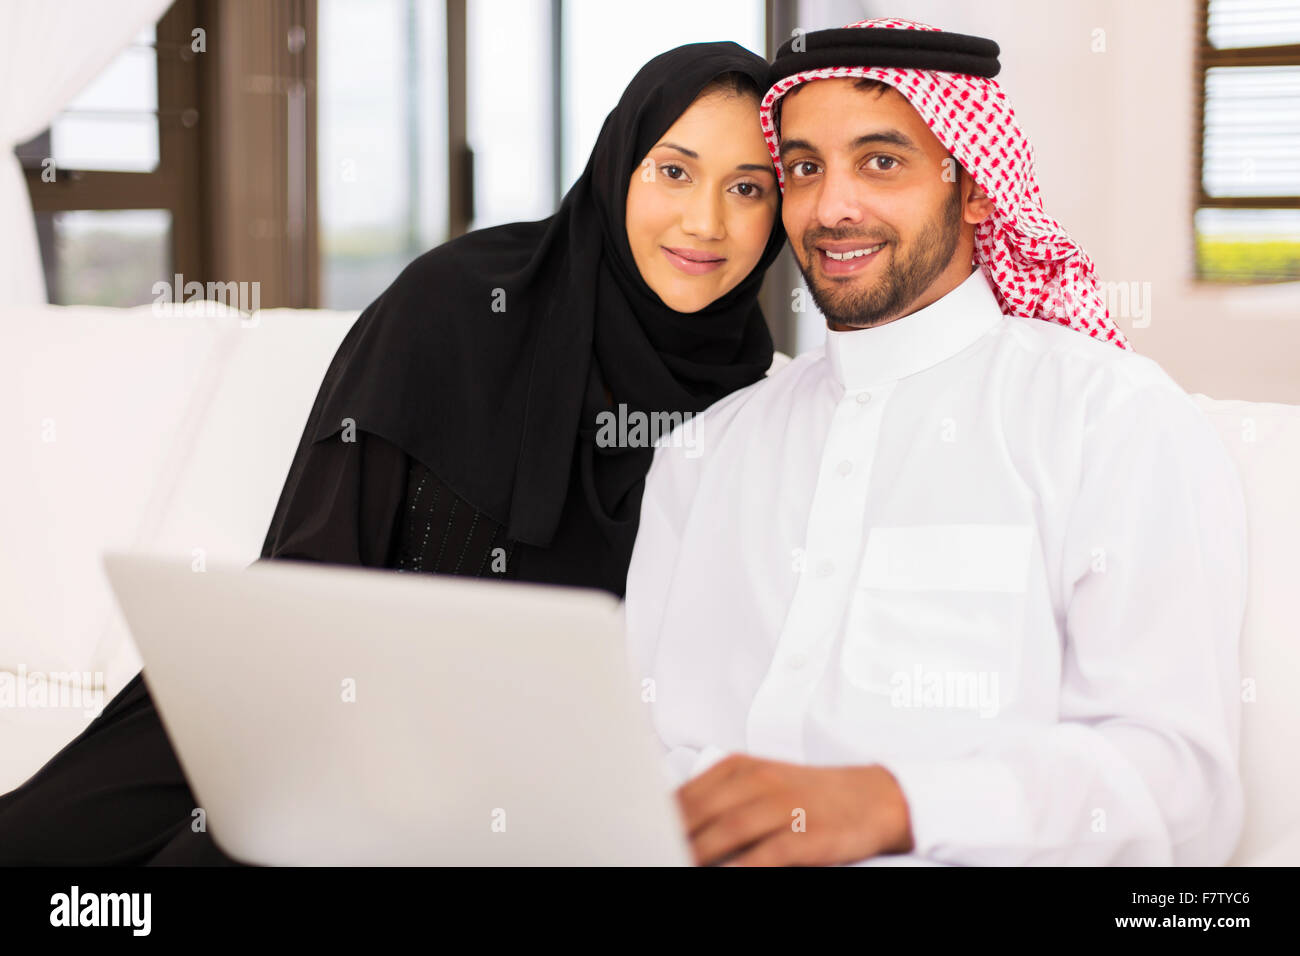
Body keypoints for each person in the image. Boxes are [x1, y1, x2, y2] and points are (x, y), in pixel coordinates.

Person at [0, 41, 786, 866]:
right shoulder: (456, 302)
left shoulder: (754, 410)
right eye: (674, 171)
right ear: (619, 164)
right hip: (311, 700)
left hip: (506, 788)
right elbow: (309, 568)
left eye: (747, 189)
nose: (707, 221)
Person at [625, 18, 1248, 867]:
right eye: (805, 168)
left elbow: (1177, 787)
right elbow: (638, 749)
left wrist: (894, 803)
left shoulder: (1110, 421)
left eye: (881, 161)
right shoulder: (706, 451)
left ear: (977, 186)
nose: (833, 207)